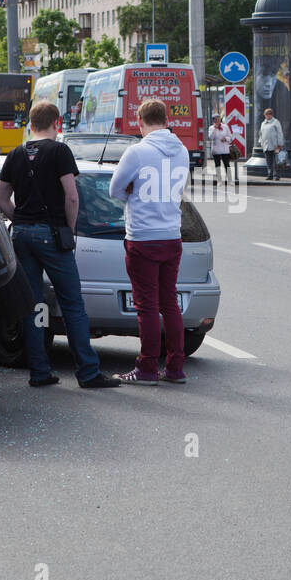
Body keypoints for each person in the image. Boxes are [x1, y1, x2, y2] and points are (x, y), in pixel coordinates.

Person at [0, 101, 120, 390]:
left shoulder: (15, 154)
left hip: (22, 236)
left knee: (34, 304)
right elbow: (72, 195)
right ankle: (88, 373)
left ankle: (39, 371)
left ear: (30, 123)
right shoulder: (60, 151)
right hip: (52, 235)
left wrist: (23, 220)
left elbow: (2, 200)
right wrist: (68, 228)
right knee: (72, 304)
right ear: (57, 123)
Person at [109, 99, 190, 385]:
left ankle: (146, 369)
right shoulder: (182, 151)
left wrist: (133, 191)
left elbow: (114, 189)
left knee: (146, 306)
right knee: (170, 303)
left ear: (140, 121)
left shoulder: (137, 152)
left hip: (143, 237)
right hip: (172, 235)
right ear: (166, 120)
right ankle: (176, 367)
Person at [258, 108, 285, 181]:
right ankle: (270, 175)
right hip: (266, 145)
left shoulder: (276, 122)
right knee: (269, 161)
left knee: (276, 161)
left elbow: (280, 133)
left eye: (268, 114)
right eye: (265, 114)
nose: (267, 116)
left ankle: (277, 175)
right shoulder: (263, 123)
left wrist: (280, 144)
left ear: (271, 115)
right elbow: (260, 133)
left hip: (275, 145)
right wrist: (261, 142)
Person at [207, 114, 233, 184]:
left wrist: (226, 139)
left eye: (218, 119)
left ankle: (230, 180)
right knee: (217, 165)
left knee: (227, 164)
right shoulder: (211, 128)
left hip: (225, 149)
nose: (217, 120)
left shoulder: (225, 127)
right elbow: (210, 137)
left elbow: (230, 137)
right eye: (215, 119)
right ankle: (219, 180)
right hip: (216, 149)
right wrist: (215, 129)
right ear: (213, 120)